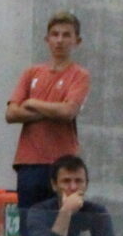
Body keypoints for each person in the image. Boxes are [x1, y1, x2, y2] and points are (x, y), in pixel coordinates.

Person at [5, 12, 90, 212]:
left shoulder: (79, 75)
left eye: (66, 35)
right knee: (30, 223)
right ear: (47, 39)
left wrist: (32, 102)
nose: (60, 40)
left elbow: (68, 111)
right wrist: (53, 108)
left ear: (77, 41)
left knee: (65, 222)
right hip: (29, 162)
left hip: (64, 164)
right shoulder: (31, 72)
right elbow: (11, 113)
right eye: (55, 34)